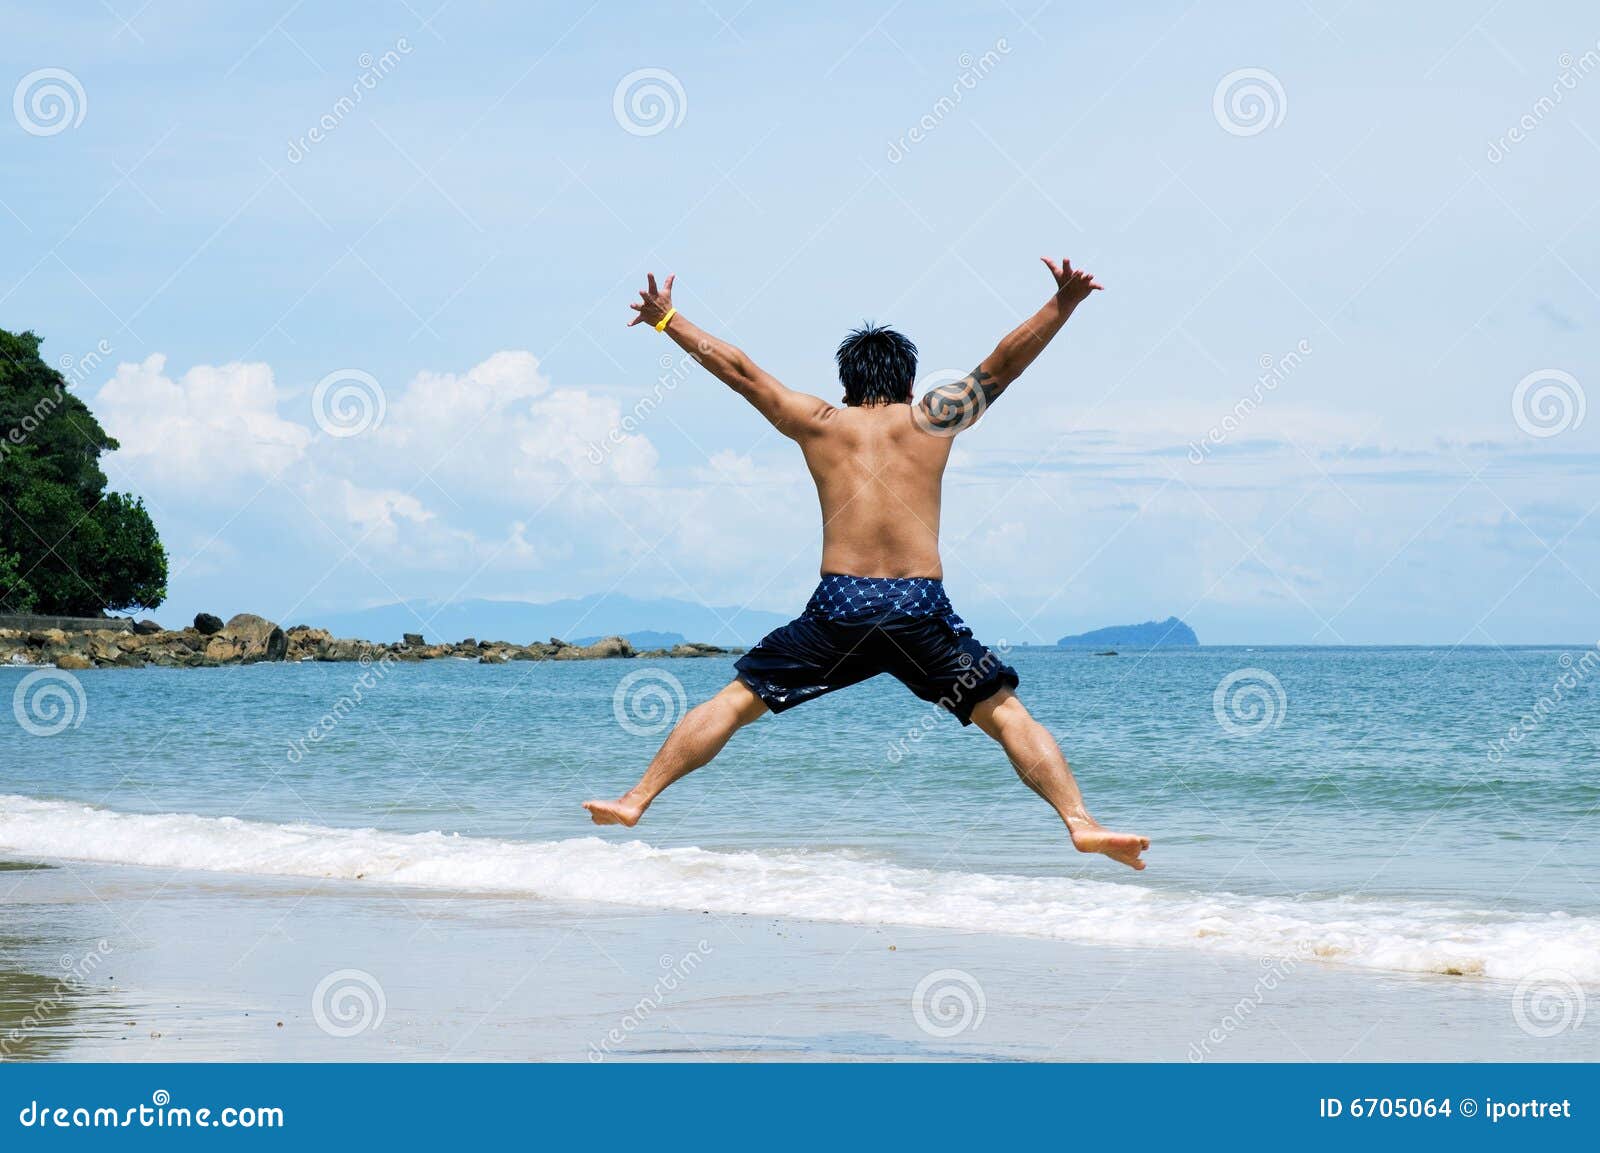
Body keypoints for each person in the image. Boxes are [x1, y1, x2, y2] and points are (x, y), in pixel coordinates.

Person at [583, 259, 1149, 870]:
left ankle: (636, 799)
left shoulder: (819, 423)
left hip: (840, 608)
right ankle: (1081, 824)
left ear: (846, 384)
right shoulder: (931, 419)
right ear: (911, 384)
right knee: (1007, 714)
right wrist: (1063, 303)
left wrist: (668, 319)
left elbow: (740, 372)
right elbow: (1004, 362)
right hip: (917, 607)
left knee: (735, 702)